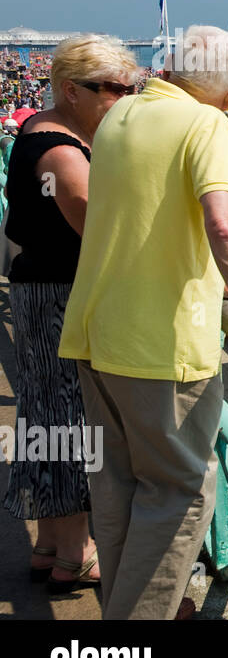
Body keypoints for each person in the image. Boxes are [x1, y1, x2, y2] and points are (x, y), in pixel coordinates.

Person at [59, 27, 228, 619]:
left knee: (115, 492)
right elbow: (224, 227)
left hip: (95, 331)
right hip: (159, 346)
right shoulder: (207, 124)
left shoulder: (120, 115)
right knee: (181, 496)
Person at [3, 35, 139, 592]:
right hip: (61, 296)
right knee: (71, 422)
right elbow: (99, 233)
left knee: (45, 419)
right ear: (70, 90)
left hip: (38, 292)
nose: (125, 100)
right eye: (113, 90)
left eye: (131, 89)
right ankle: (76, 552)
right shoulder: (62, 152)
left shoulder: (37, 129)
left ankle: (50, 545)